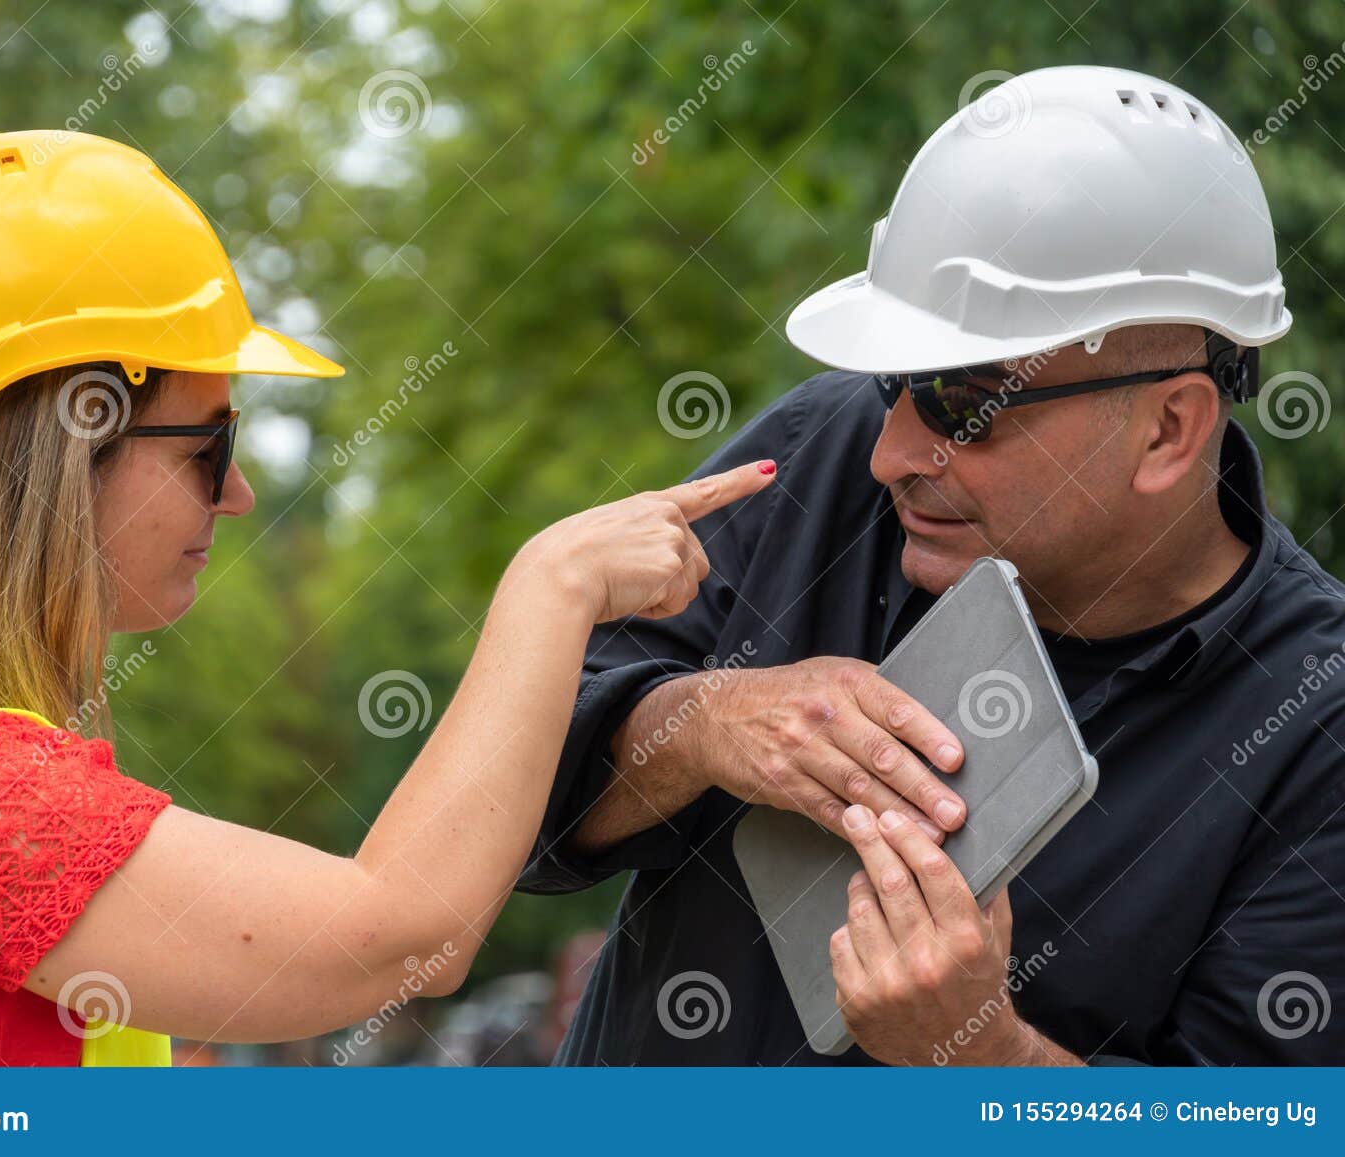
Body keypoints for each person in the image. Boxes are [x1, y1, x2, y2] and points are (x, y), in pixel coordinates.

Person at [0, 129, 777, 1066]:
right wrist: (552, 587)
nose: (236, 493)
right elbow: (400, 939)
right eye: (209, 443)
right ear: (71, 442)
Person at [519, 65, 1345, 1066]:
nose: (891, 452)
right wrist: (698, 725)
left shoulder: (1316, 727)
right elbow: (506, 801)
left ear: (1169, 428)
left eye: (965, 399)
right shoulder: (817, 457)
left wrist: (980, 1055)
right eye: (891, 382)